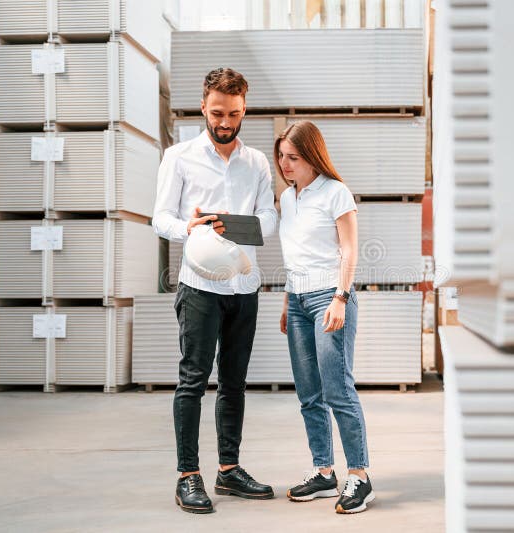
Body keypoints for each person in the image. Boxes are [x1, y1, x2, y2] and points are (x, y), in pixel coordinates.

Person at [152, 67, 278, 514]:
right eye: (218, 112)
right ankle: (188, 475)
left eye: (235, 113)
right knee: (192, 381)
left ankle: (229, 469)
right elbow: (160, 218)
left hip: (244, 284)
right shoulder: (180, 156)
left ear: (245, 108)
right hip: (200, 286)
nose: (226, 122)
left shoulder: (258, 162)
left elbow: (270, 218)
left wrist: (242, 224)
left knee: (234, 382)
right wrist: (190, 227)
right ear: (204, 105)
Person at [275, 121, 375, 514]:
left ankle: (360, 475)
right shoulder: (287, 199)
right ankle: (323, 471)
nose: (285, 164)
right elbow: (294, 255)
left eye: (293, 158)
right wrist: (286, 300)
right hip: (298, 300)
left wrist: (340, 297)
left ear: (312, 157)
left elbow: (349, 251)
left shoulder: (336, 193)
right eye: (281, 156)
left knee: (338, 389)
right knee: (308, 394)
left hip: (329, 298)